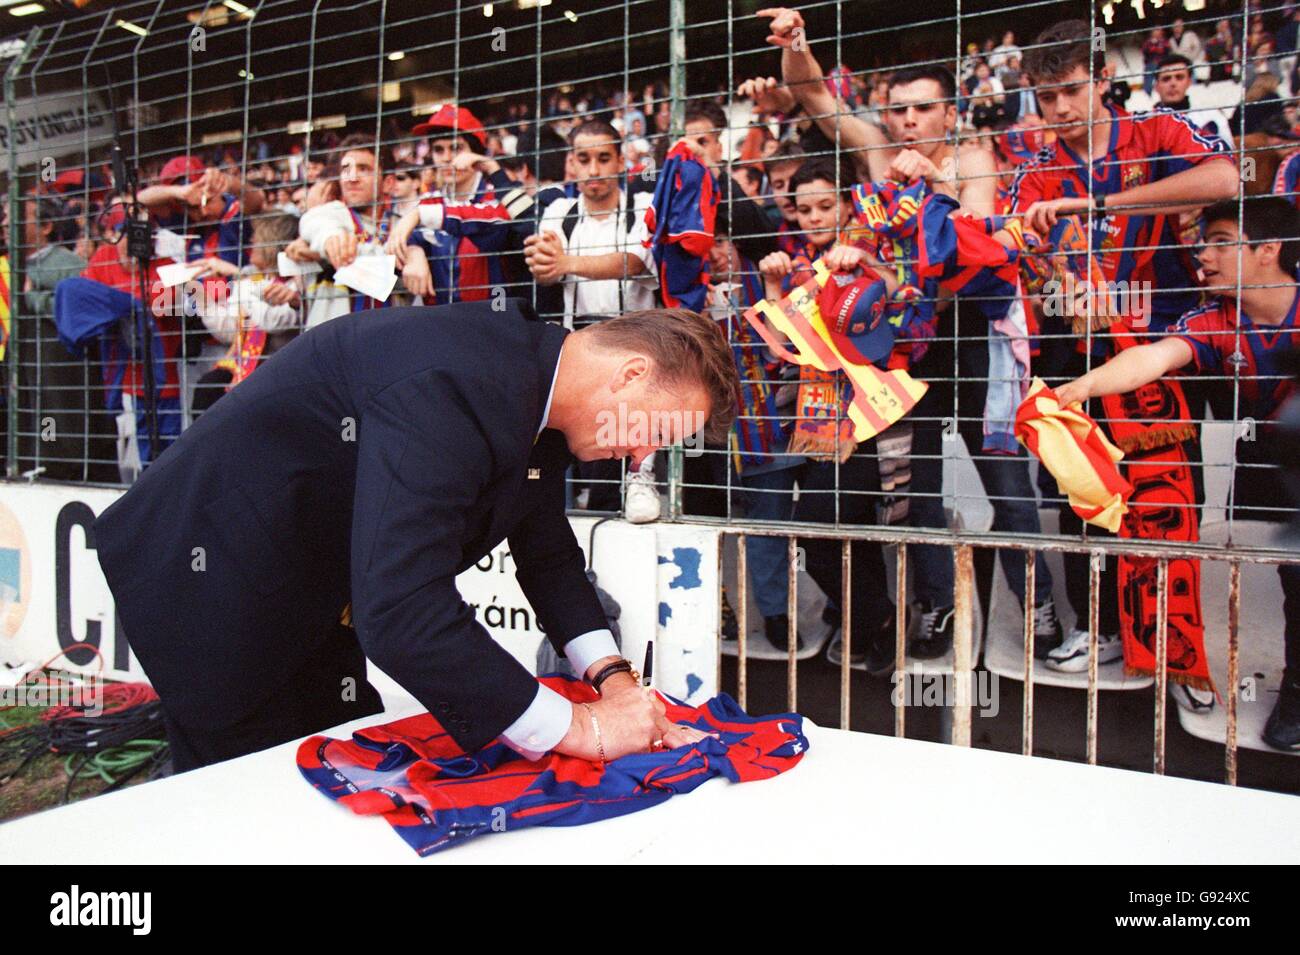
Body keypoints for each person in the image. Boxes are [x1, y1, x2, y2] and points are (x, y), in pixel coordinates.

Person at [93, 302, 740, 772]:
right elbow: (402, 610)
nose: (641, 454)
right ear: (629, 375)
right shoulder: (451, 383)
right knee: (251, 808)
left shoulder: (536, 389)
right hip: (211, 584)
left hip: (308, 595)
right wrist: (580, 726)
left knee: (343, 768)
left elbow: (548, 556)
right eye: (658, 429)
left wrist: (614, 679)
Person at [1010, 18, 1238, 702]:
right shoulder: (1036, 168)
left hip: (1158, 354)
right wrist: (1057, 278)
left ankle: (1178, 653)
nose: (1059, 111)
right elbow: (1025, 257)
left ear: (1104, 79)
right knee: (1086, 498)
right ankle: (1104, 629)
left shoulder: (1158, 130)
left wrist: (1100, 202)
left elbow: (1224, 179)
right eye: (1045, 97)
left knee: (1169, 500)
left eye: (1073, 90)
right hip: (1079, 355)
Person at [1055, 198, 1300, 750]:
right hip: (1285, 458)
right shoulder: (1213, 319)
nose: (1203, 255)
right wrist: (1085, 387)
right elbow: (1156, 357)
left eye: (1219, 241)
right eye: (1203, 241)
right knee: (1295, 574)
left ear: (1268, 251)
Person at [289, 132, 399, 327]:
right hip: (335, 346)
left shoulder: (400, 225)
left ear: (388, 182)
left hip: (389, 342)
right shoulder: (332, 215)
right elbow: (314, 222)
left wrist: (331, 255)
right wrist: (331, 240)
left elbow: (398, 279)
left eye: (364, 169)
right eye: (346, 169)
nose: (352, 178)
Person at [1153, 53, 1234, 149]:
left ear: (1189, 82)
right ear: (1156, 86)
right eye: (1166, 79)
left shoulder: (1211, 117)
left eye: (1179, 77)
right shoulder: (1145, 124)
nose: (1173, 83)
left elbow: (1230, 154)